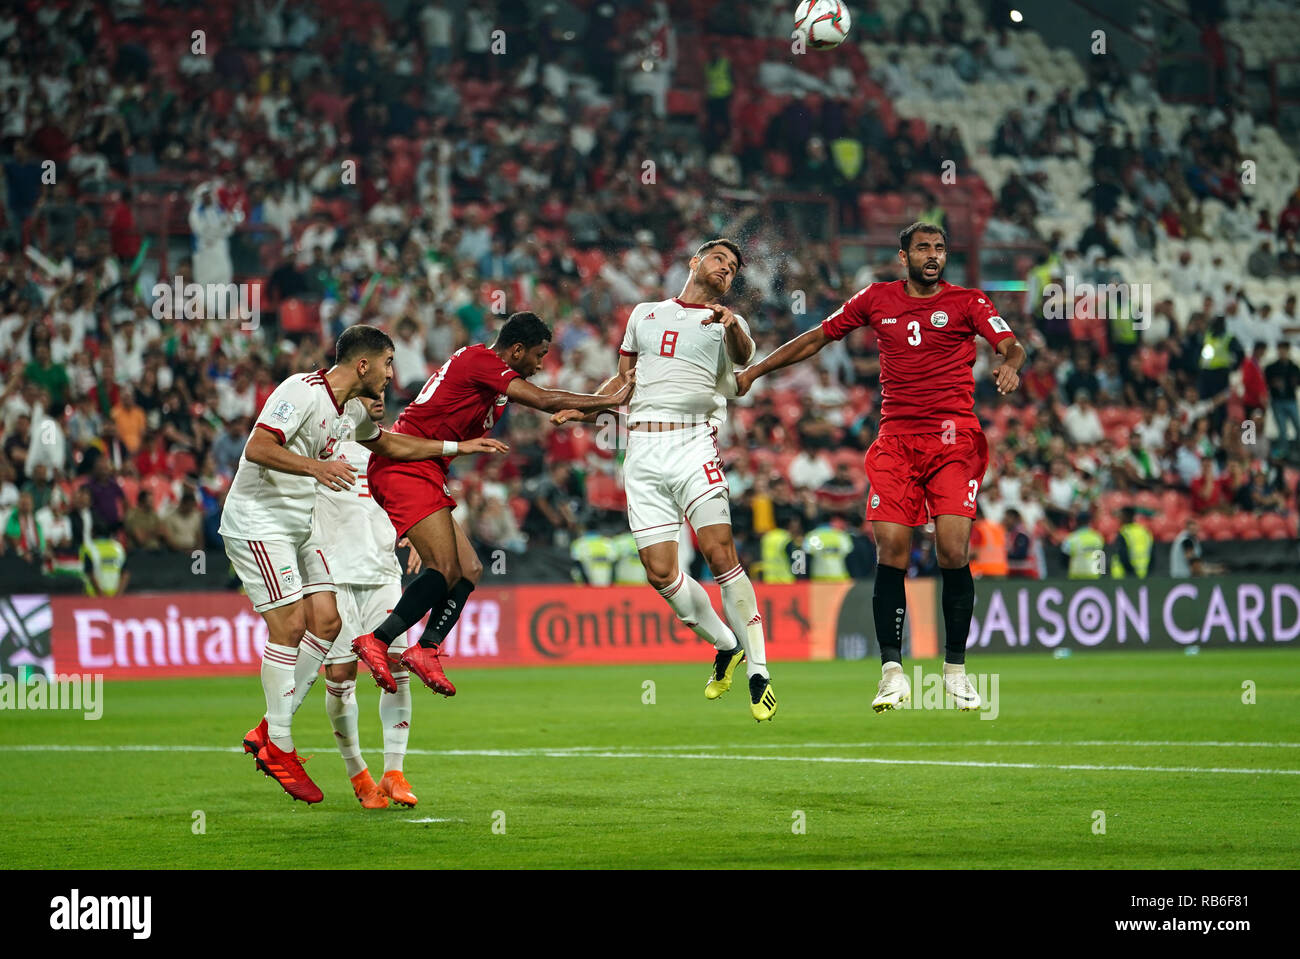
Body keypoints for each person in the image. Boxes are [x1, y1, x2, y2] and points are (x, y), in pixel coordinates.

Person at [737, 222, 1025, 714]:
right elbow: (818, 337)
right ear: (903, 255)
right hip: (896, 441)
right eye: (923, 248)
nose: (933, 255)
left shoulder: (969, 302)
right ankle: (892, 671)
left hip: (953, 439)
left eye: (939, 248)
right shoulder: (876, 299)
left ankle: (955, 671)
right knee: (891, 548)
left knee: (953, 549)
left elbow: (1010, 344)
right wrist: (756, 371)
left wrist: (1011, 363)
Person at [227, 325, 507, 805]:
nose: (392, 374)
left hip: (327, 544)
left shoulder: (351, 414)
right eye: (388, 363)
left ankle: (355, 760)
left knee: (333, 627)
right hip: (266, 523)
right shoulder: (301, 390)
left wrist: (457, 449)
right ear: (363, 364)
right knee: (298, 632)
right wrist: (317, 467)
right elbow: (257, 447)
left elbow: (394, 448)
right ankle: (281, 740)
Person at [551, 239, 778, 722]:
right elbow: (623, 383)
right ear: (694, 261)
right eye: (719, 259)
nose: (726, 269)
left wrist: (731, 322)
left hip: (694, 444)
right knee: (659, 572)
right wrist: (585, 408)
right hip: (642, 451)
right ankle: (726, 643)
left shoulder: (726, 325)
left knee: (720, 553)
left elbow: (742, 360)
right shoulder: (644, 314)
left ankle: (759, 669)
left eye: (734, 268)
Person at [353, 312, 634, 702]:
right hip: (405, 465)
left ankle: (427, 648)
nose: (539, 365)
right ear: (516, 350)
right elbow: (542, 399)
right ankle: (377, 640)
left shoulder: (492, 380)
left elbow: (550, 404)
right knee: (446, 568)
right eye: (538, 355)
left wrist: (608, 408)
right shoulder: (481, 361)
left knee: (469, 569)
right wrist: (608, 399)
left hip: (427, 470)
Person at [302, 396, 424, 809]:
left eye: (381, 399)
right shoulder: (320, 441)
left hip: (382, 571)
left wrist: (425, 534)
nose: (378, 404)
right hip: (331, 572)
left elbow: (421, 493)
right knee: (340, 674)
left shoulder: (392, 445)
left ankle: (395, 772)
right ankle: (358, 774)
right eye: (368, 398)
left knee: (398, 662)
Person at [1110, 506, 1153, 579]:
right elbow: (1152, 554)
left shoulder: (1124, 533)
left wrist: (1131, 572)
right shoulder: (1145, 532)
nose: (1119, 519)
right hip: (1143, 575)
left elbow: (1123, 555)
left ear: (1126, 516)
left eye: (1121, 516)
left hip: (1123, 576)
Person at [1061, 511, 1105, 579]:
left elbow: (1064, 560)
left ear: (1076, 522)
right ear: (1089, 522)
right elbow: (1102, 560)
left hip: (1076, 577)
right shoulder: (1098, 538)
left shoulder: (1071, 539)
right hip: (1094, 577)